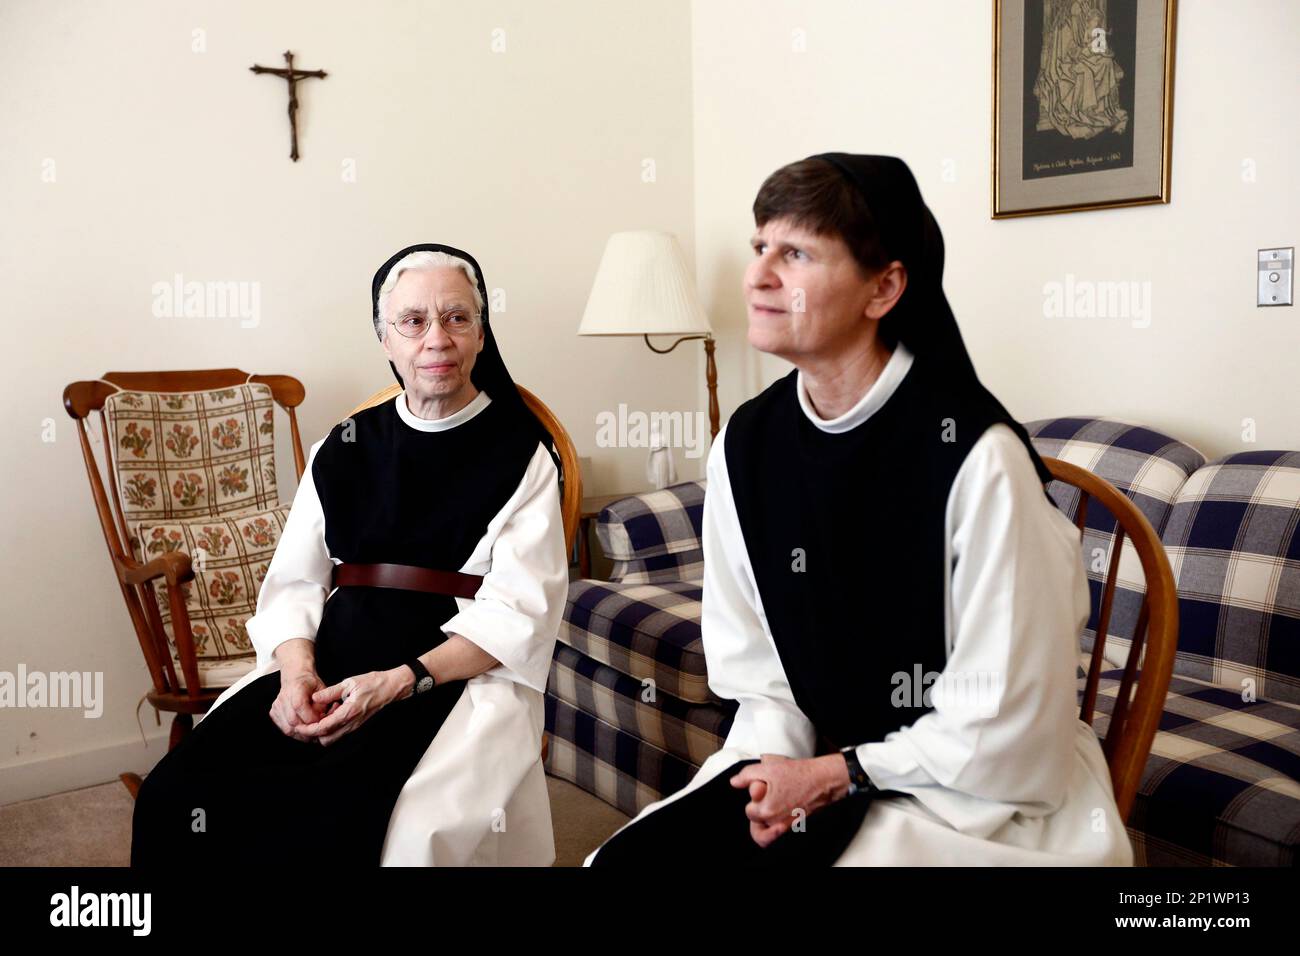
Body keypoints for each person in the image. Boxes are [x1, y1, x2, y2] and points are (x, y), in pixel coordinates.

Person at [586, 154, 1133, 866]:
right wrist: (778, 778)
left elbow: (1006, 722)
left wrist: (838, 774)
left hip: (974, 794)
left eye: (797, 253)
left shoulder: (977, 455)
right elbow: (761, 674)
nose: (756, 276)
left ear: (884, 288)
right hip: (811, 761)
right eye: (759, 247)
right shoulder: (744, 447)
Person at [132, 242, 569, 867]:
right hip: (329, 659)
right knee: (174, 796)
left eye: (457, 318)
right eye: (413, 321)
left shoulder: (523, 453)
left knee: (381, 834)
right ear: (385, 339)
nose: (436, 339)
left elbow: (520, 612)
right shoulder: (341, 446)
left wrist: (398, 683)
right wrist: (295, 673)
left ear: (480, 335)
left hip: (449, 671)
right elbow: (294, 583)